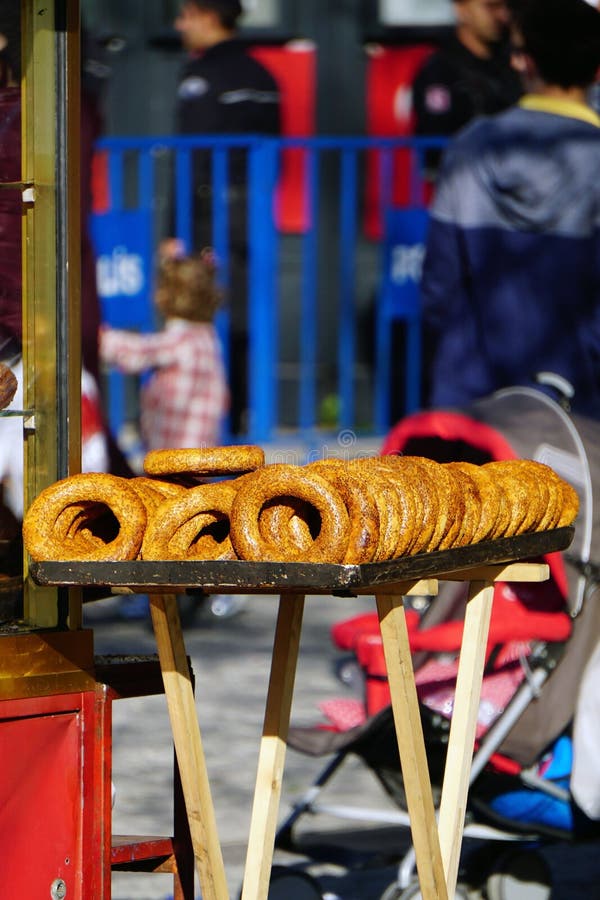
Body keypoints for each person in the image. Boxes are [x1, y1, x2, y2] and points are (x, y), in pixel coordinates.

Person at [420, 0, 600, 418]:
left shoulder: (470, 144)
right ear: (596, 72)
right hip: (576, 399)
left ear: (525, 63)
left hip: (469, 389)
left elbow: (439, 285)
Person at [167, 0, 281, 435]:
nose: (179, 26)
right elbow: (275, 156)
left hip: (206, 214)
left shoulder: (202, 76)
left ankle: (207, 425)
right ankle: (242, 418)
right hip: (250, 212)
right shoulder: (263, 75)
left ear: (204, 15)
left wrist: (175, 229)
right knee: (245, 317)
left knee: (200, 318)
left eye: (183, 15)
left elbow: (191, 159)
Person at [100, 247, 229, 452]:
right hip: (202, 453)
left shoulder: (182, 340)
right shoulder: (208, 338)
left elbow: (138, 351)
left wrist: (100, 337)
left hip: (177, 458)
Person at [412, 0, 522, 173]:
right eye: (491, 7)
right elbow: (434, 147)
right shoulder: (440, 69)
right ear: (461, 9)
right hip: (465, 180)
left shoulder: (516, 64)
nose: (503, 15)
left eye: (504, 7)